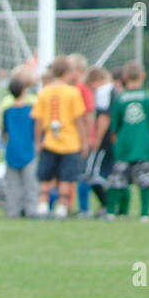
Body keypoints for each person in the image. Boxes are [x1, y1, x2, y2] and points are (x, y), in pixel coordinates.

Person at [32, 56, 89, 219]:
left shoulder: (44, 92)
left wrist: (37, 141)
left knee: (46, 176)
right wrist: (84, 141)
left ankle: (42, 206)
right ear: (66, 73)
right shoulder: (73, 92)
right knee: (66, 177)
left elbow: (38, 120)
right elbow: (79, 119)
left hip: (49, 141)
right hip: (70, 142)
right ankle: (62, 208)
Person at [108, 60, 149, 221]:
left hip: (123, 146)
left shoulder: (120, 98)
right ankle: (144, 213)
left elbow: (114, 127)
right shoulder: (148, 98)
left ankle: (113, 212)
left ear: (124, 77)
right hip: (143, 146)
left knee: (118, 179)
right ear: (143, 75)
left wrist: (117, 144)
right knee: (144, 179)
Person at [0, 75, 39, 217]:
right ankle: (31, 210)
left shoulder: (7, 111)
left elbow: (4, 131)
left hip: (12, 149)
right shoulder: (31, 110)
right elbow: (36, 129)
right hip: (28, 149)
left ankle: (12, 211)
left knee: (12, 185)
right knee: (30, 183)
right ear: (23, 91)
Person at [67, 54, 97, 217]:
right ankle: (69, 206)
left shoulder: (82, 90)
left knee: (83, 174)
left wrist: (87, 138)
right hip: (72, 138)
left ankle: (84, 208)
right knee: (70, 174)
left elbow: (88, 115)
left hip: (82, 139)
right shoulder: (71, 89)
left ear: (78, 71)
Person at [85, 65, 116, 218]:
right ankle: (113, 207)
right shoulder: (116, 90)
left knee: (92, 174)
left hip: (105, 142)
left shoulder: (104, 91)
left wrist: (97, 139)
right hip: (115, 141)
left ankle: (108, 205)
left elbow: (104, 117)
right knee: (112, 175)